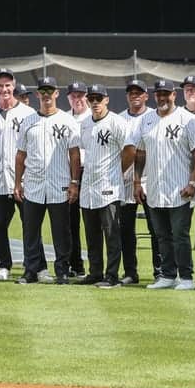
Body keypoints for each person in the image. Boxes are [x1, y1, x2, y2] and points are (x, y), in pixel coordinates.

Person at [123, 79, 195, 291]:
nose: (163, 97)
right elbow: (139, 152)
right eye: (159, 94)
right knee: (162, 235)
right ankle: (167, 275)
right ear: (154, 96)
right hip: (155, 188)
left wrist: (193, 182)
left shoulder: (186, 119)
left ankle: (186, 277)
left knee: (180, 235)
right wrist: (137, 182)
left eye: (167, 93)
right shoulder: (146, 120)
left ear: (174, 95)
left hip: (180, 187)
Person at [14, 76, 81, 285]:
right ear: (37, 94)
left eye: (49, 91)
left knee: (61, 231)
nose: (46, 96)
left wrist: (74, 182)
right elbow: (20, 155)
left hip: (59, 182)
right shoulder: (28, 121)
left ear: (57, 93)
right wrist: (17, 183)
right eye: (42, 92)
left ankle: (62, 270)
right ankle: (31, 271)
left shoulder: (67, 121)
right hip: (33, 183)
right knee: (30, 230)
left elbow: (75, 155)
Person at [0, 69, 40, 282]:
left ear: (13, 85)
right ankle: (3, 265)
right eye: (0, 85)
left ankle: (34, 265)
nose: (4, 89)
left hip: (24, 180)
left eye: (8, 85)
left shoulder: (27, 113)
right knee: (0, 225)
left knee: (30, 224)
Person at [78, 85, 129, 288]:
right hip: (88, 186)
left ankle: (112, 275)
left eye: (99, 98)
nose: (95, 102)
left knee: (111, 234)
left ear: (106, 100)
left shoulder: (117, 122)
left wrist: (117, 171)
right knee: (92, 234)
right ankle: (95, 272)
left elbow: (130, 150)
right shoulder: (84, 124)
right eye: (92, 98)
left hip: (110, 187)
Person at [118, 79, 160, 285]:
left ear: (146, 96)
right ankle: (130, 272)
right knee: (125, 229)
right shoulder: (118, 119)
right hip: (124, 181)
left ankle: (160, 271)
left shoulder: (154, 117)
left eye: (139, 92)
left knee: (156, 229)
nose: (135, 95)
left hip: (150, 179)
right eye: (131, 92)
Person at [66, 81, 89, 278]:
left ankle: (100, 266)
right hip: (70, 173)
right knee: (71, 222)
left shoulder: (95, 116)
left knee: (94, 223)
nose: (77, 99)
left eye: (81, 95)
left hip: (91, 172)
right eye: (74, 96)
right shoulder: (64, 118)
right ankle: (75, 265)